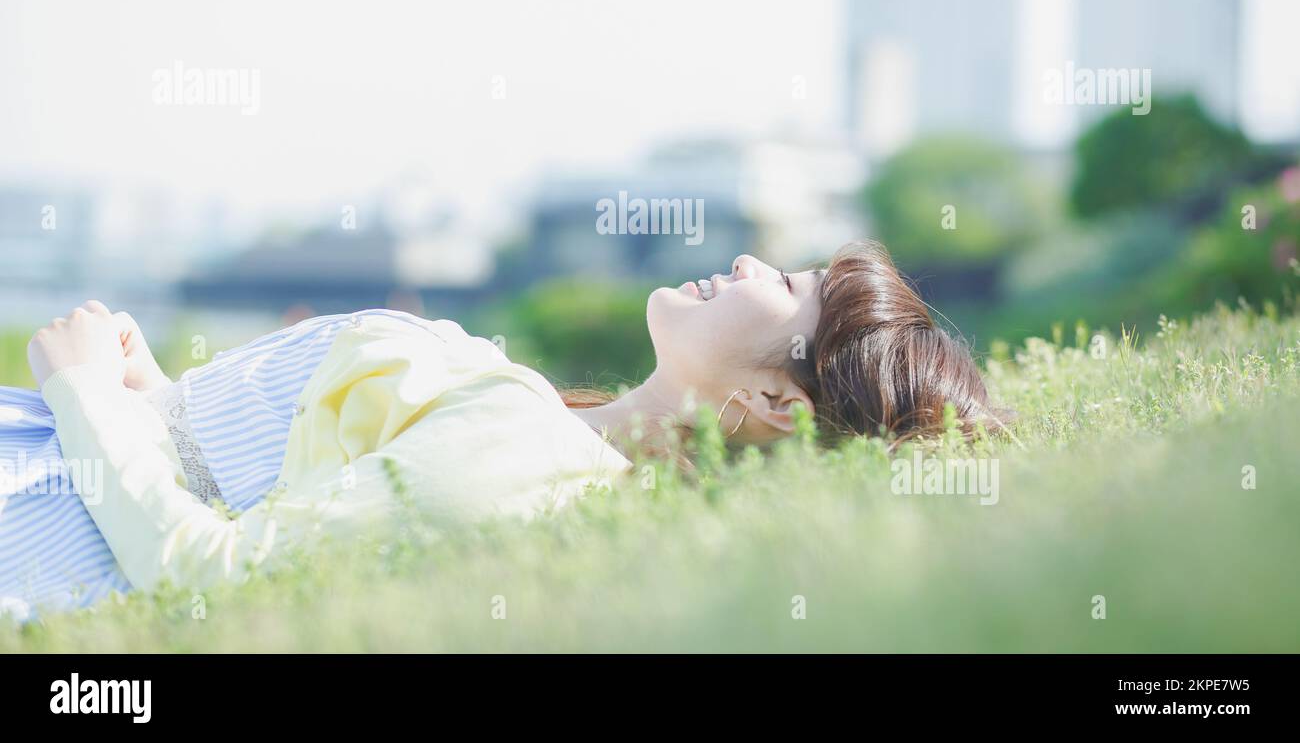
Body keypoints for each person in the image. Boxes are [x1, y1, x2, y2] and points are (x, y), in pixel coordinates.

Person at [0, 240, 1003, 620]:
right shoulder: (553, 430)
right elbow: (284, 482)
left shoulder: (538, 461)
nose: (747, 260)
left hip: (34, 515)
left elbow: (215, 576)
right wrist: (161, 400)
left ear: (781, 407)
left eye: (786, 287)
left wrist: (88, 391)